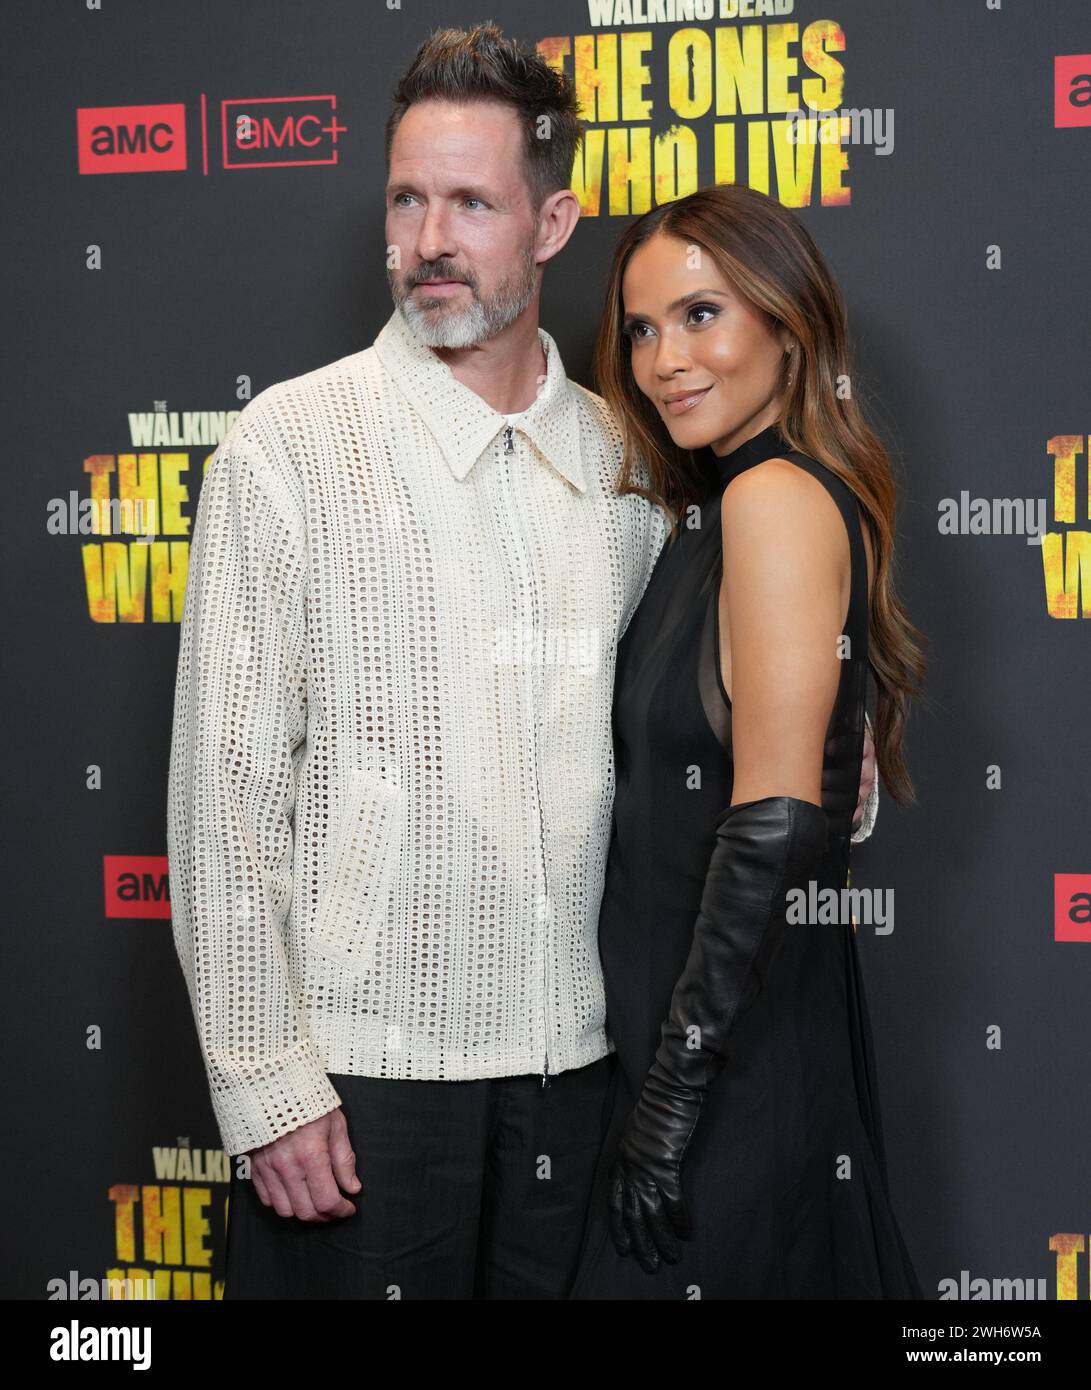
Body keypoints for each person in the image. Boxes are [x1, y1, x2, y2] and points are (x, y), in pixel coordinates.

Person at [165, 24, 878, 1301]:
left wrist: (837, 753)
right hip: (361, 1086)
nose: (428, 239)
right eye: (405, 198)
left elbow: (709, 737)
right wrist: (266, 1080)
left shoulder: (633, 466)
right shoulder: (289, 447)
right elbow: (220, 805)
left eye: (471, 203)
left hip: (584, 1079)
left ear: (551, 224)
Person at [568, 184, 926, 1299]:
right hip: (703, 1053)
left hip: (725, 1073)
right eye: (638, 327)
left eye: (699, 315)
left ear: (784, 321)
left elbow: (772, 826)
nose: (662, 357)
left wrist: (671, 1105)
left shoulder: (770, 498)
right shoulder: (717, 506)